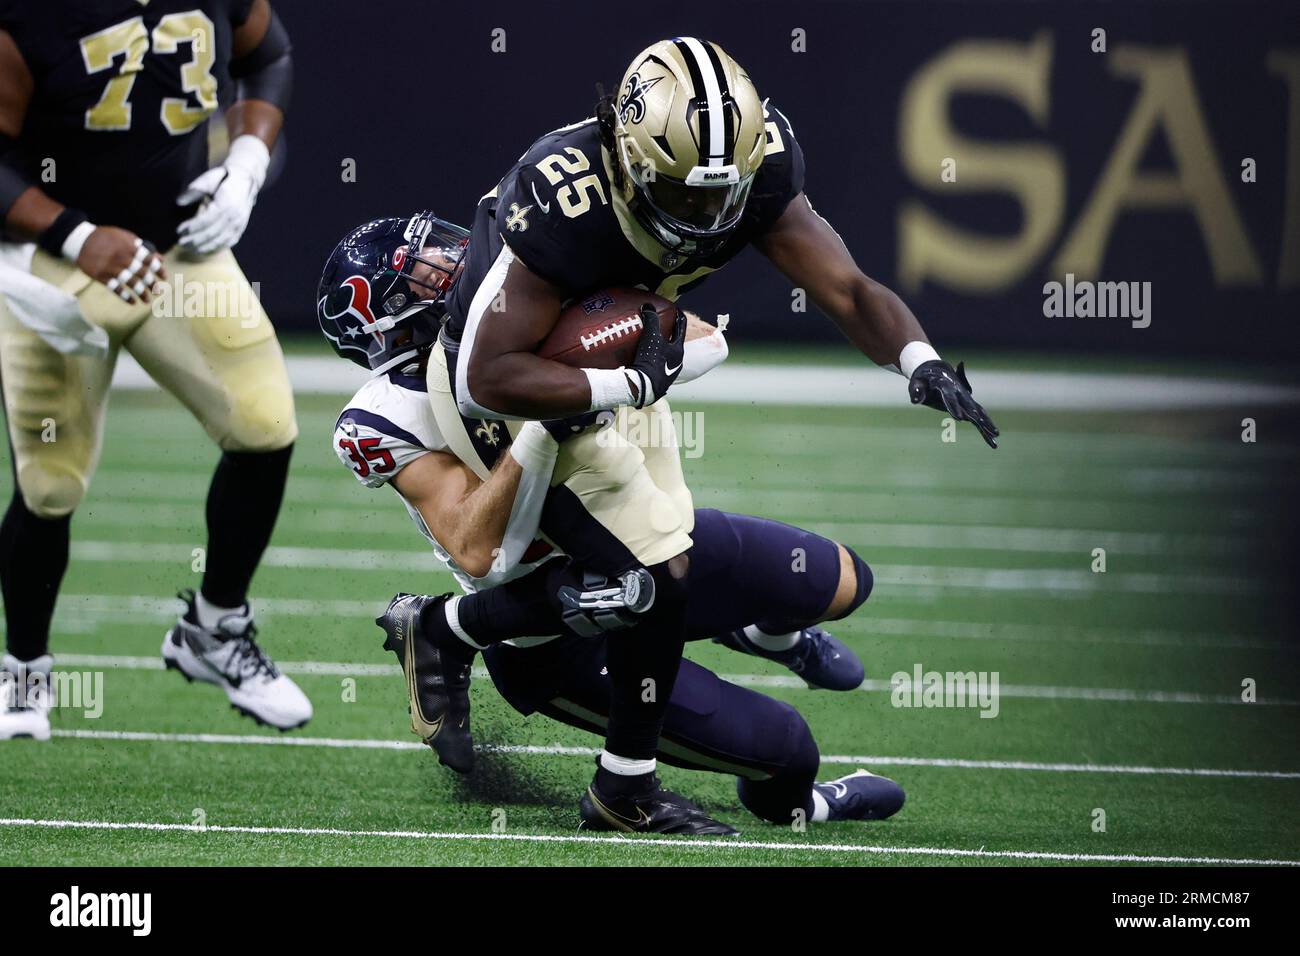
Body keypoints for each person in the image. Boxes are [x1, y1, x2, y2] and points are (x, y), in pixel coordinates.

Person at [319, 214, 903, 834]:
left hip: (647, 539)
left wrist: (625, 369)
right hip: (561, 629)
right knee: (791, 748)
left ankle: (763, 634)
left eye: (439, 247)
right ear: (388, 318)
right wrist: (549, 416)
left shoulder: (522, 303)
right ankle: (800, 804)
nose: (452, 260)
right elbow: (478, 548)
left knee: (843, 580)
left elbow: (704, 339)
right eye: (424, 270)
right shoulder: (388, 416)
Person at [0, 0, 310, 738]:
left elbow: (269, 57)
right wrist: (75, 236)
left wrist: (246, 161)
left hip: (179, 250)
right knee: (50, 485)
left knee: (265, 424)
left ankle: (214, 627)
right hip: (46, 261)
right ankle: (24, 670)